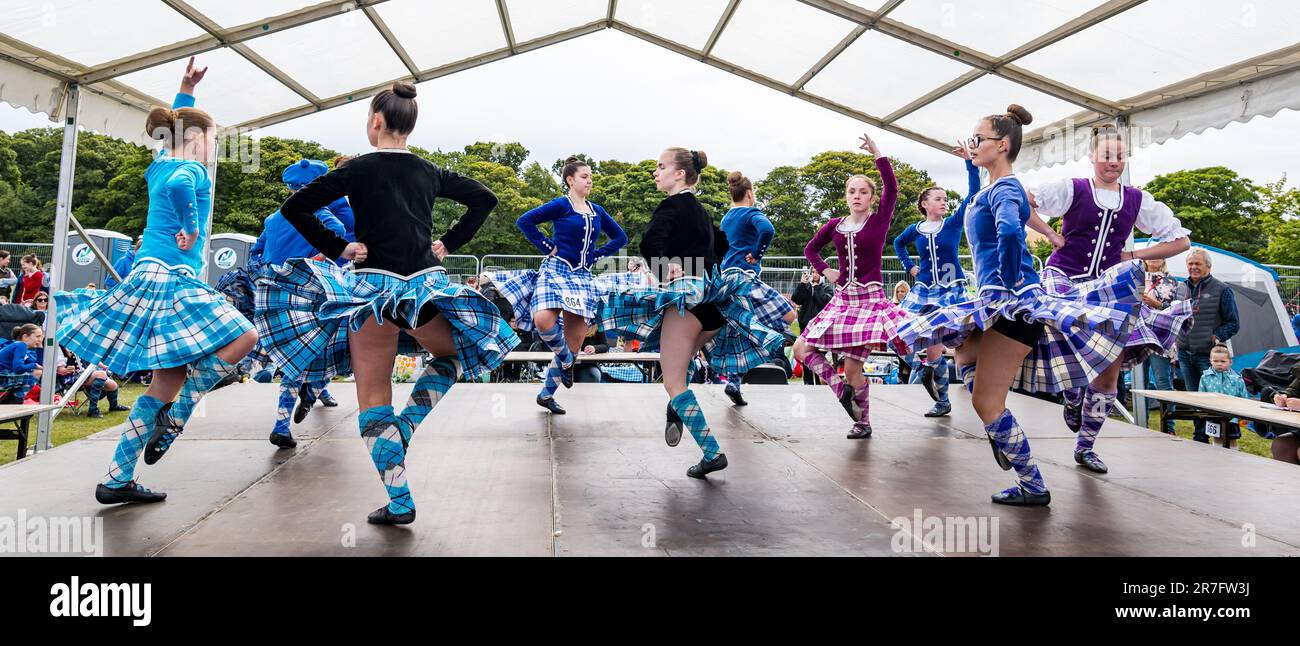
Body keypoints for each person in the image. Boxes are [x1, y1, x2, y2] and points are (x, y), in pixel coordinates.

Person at [255, 81, 519, 525]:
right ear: (409, 125)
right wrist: (448, 243)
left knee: (374, 398)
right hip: (423, 288)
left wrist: (340, 247)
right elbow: (484, 198)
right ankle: (410, 424)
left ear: (376, 122)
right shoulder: (429, 171)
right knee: (452, 356)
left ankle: (400, 500)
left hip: (371, 292)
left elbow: (296, 207)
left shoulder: (356, 170)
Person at [894, 104, 1134, 506]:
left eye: (978, 139)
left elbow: (1009, 232)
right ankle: (1002, 433)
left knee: (985, 400)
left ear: (1001, 145)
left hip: (1011, 303)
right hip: (995, 299)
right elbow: (991, 215)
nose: (973, 144)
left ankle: (1032, 483)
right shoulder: (991, 188)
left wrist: (1006, 285)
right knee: (963, 358)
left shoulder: (1006, 188)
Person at [54, 58, 259, 505]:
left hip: (149, 274)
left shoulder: (161, 163)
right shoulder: (189, 170)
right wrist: (189, 224)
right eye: (213, 139)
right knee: (245, 335)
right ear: (196, 139)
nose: (215, 148)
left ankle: (116, 477)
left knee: (165, 379)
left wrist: (185, 91)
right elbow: (185, 185)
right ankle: (180, 414)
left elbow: (175, 142)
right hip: (172, 277)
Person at [599, 147, 783, 478]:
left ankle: (711, 453)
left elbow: (649, 244)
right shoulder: (700, 210)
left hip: (687, 304)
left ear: (680, 173)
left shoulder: (671, 205)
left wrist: (665, 268)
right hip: (712, 307)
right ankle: (676, 412)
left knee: (672, 382)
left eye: (660, 167)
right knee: (679, 373)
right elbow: (723, 247)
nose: (655, 173)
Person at [1023, 124, 1192, 473]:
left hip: (1109, 288)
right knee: (1066, 336)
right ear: (1092, 157)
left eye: (1119, 156)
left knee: (1108, 373)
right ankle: (1071, 393)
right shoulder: (1074, 189)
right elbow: (1024, 200)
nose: (1113, 162)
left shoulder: (1137, 199)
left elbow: (1180, 242)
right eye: (1106, 156)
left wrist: (1134, 257)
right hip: (1065, 278)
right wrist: (1051, 234)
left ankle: (1086, 446)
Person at [488, 156, 627, 415]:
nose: (590, 181)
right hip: (556, 269)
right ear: (570, 180)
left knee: (574, 341)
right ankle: (565, 362)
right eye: (585, 177)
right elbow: (525, 221)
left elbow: (621, 237)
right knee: (543, 320)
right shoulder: (561, 205)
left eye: (591, 177)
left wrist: (597, 255)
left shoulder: (597, 211)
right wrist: (546, 246)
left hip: (583, 277)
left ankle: (546, 394)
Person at [793, 132, 908, 440]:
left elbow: (893, 188)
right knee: (801, 348)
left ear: (871, 197)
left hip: (869, 302)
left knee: (855, 369)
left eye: (863, 192)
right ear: (846, 196)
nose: (857, 196)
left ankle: (863, 422)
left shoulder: (879, 220)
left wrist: (877, 154)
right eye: (852, 191)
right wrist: (825, 269)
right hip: (842, 301)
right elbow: (810, 250)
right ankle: (839, 387)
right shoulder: (834, 225)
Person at [252, 159, 347, 449]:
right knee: (334, 342)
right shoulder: (319, 213)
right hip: (306, 294)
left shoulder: (274, 217)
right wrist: (318, 260)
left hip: (273, 294)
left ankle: (279, 377)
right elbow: (339, 234)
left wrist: (269, 273)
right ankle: (305, 398)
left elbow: (257, 253)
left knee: (289, 350)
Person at [894, 154, 980, 417]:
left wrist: (970, 164)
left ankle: (966, 390)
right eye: (938, 198)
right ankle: (932, 385)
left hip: (951, 288)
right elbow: (898, 243)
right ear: (925, 204)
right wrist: (909, 266)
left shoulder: (953, 223)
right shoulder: (915, 229)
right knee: (898, 334)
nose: (944, 202)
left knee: (959, 341)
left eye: (945, 199)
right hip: (923, 291)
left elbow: (973, 192)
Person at [718, 169, 795, 406]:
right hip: (745, 277)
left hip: (725, 279)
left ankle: (734, 381)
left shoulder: (726, 217)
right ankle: (770, 341)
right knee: (790, 314)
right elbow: (767, 230)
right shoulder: (751, 213)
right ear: (750, 194)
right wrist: (756, 253)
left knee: (737, 332)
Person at [1174, 247, 1240, 443]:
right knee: (1195, 397)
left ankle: (1221, 438)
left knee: (1213, 399)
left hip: (1209, 356)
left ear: (1208, 266)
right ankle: (1199, 437)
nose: (1193, 267)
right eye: (1190, 264)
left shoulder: (1222, 290)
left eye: (1198, 264)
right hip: (1185, 352)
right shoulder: (1180, 289)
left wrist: (1216, 335)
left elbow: (1234, 322)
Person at [1142, 258, 1179, 432]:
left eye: (1158, 256)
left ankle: (1168, 427)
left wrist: (1156, 304)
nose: (1154, 259)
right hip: (1139, 335)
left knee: (1162, 381)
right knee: (1139, 382)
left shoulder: (1169, 280)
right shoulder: (1136, 276)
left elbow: (1173, 308)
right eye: (1151, 256)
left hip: (1160, 335)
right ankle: (1142, 423)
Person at [1196, 343, 1249, 448]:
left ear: (1230, 362)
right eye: (1215, 361)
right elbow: (1200, 395)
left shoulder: (1237, 379)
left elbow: (1244, 397)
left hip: (1232, 416)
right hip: (1213, 414)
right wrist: (1200, 410)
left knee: (1232, 438)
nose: (1219, 364)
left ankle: (1233, 458)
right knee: (1216, 438)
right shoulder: (1205, 377)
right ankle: (1217, 458)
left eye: (1223, 361)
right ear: (1210, 361)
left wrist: (1245, 414)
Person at [792, 269, 834, 385]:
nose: (815, 275)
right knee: (804, 353)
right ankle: (808, 382)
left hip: (820, 327)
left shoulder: (827, 288)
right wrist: (802, 285)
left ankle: (820, 380)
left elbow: (823, 301)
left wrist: (817, 288)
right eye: (813, 272)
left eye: (817, 272)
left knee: (818, 354)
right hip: (805, 325)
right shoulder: (806, 287)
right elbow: (796, 299)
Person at [0, 324, 44, 403]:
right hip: (2, 376)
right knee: (36, 373)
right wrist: (34, 365)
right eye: (37, 337)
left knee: (37, 371)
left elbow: (39, 365)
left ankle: (14, 400)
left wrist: (40, 347)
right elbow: (18, 368)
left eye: (41, 337)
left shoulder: (21, 346)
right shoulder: (21, 345)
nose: (40, 340)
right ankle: (15, 400)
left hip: (4, 374)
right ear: (25, 337)